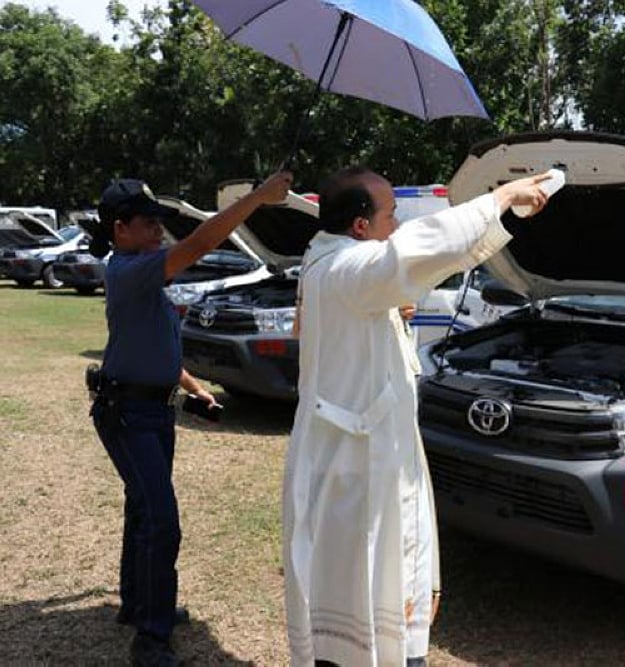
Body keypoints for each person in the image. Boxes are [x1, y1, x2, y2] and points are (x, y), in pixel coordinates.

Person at [282, 166, 553, 666]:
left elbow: (373, 288)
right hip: (356, 473)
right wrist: (502, 196)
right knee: (362, 605)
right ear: (360, 227)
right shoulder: (349, 270)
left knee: (376, 590)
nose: (398, 221)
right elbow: (422, 247)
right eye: (390, 213)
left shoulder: (325, 259)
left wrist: (390, 309)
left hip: (365, 456)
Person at [89, 171, 292, 666]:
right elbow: (202, 241)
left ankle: (139, 605)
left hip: (149, 410)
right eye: (149, 224)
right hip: (128, 413)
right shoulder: (130, 269)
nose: (160, 232)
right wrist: (257, 199)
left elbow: (153, 347)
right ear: (121, 229)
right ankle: (151, 639)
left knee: (144, 510)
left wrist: (195, 388)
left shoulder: (138, 271)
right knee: (161, 520)